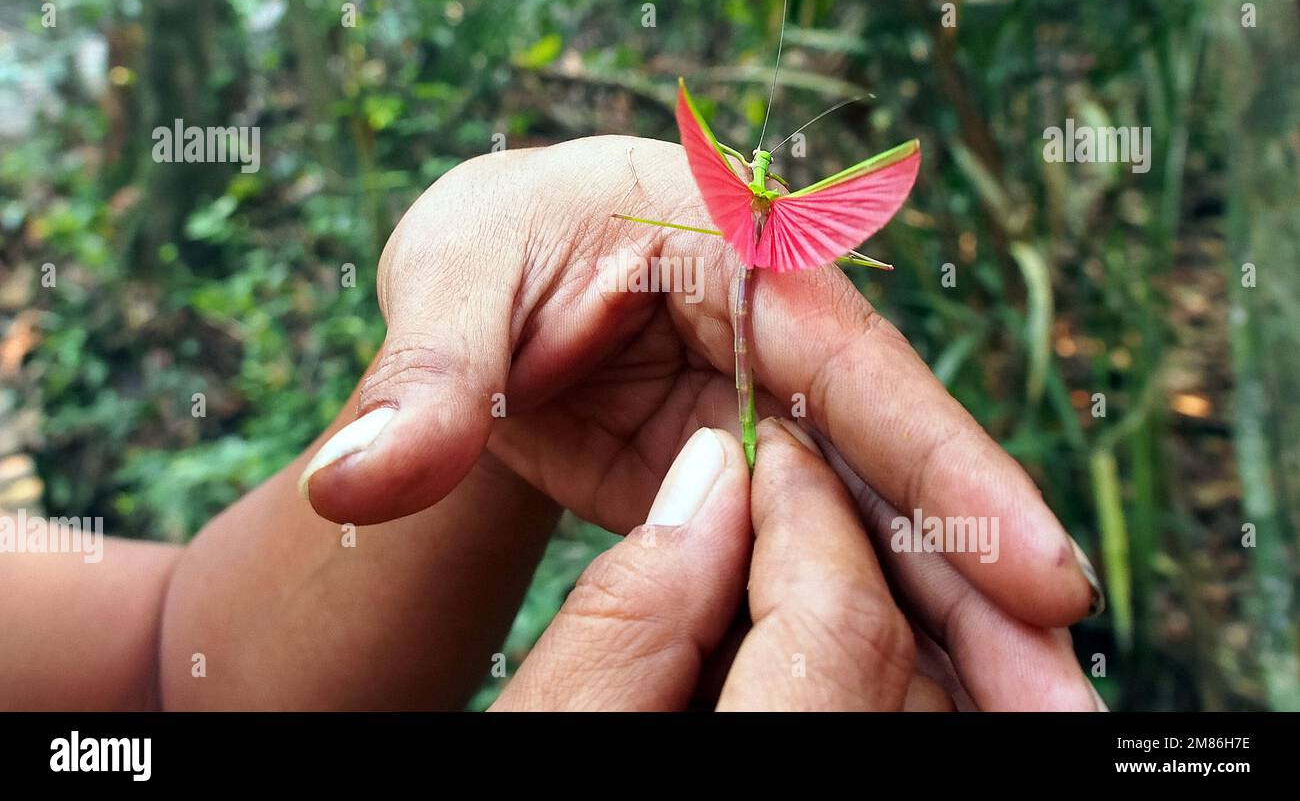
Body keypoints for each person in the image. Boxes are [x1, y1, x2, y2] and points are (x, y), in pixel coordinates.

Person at [0, 136, 1104, 711]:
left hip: (737, 314)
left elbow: (170, 674)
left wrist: (509, 405)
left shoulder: (748, 227)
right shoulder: (751, 210)